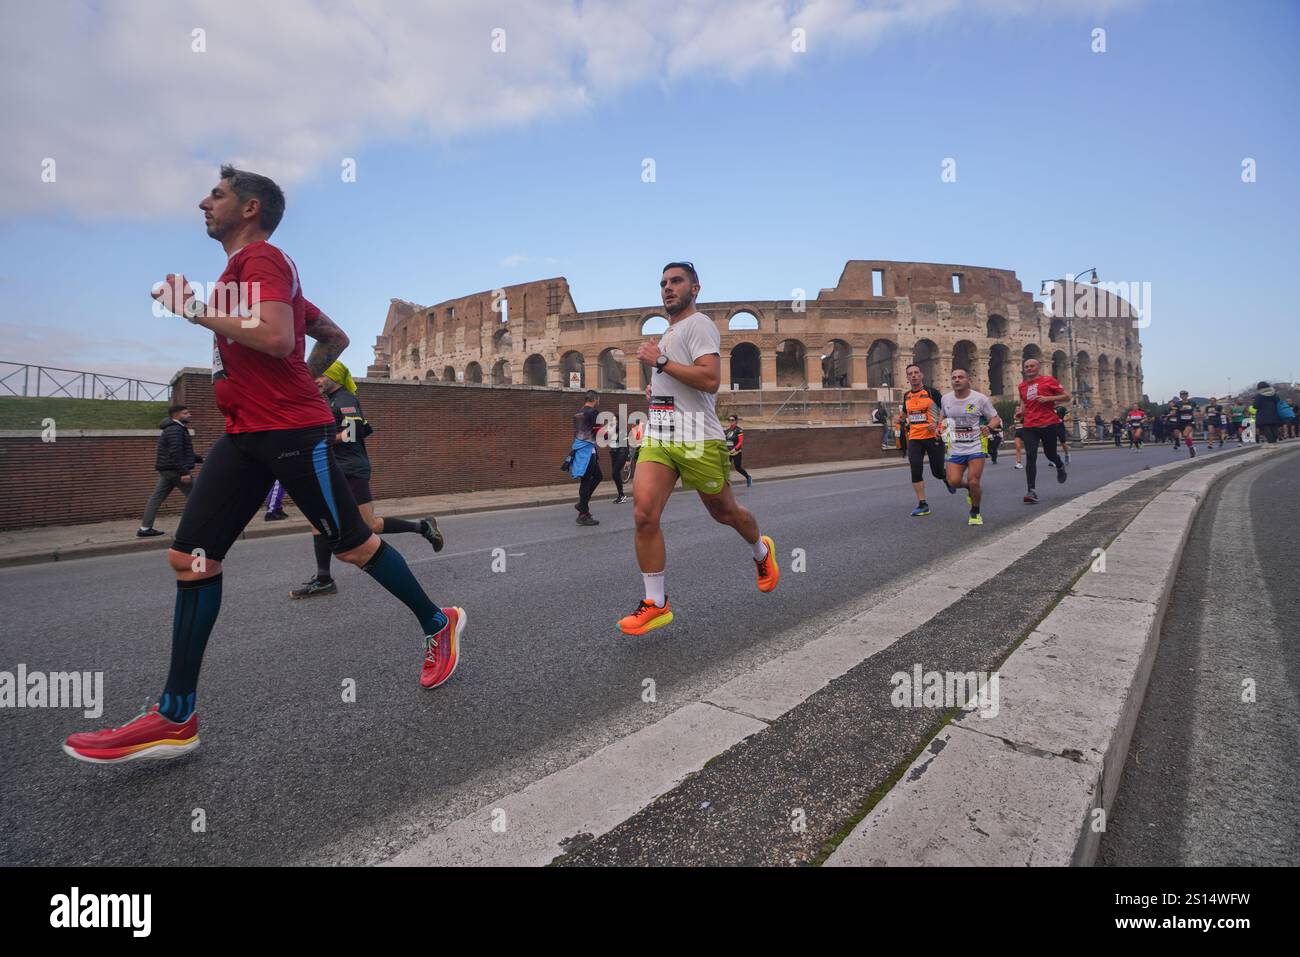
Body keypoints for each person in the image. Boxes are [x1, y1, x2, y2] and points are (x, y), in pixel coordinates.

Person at [65, 166, 466, 766]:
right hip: (245, 432)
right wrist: (293, 376)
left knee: (354, 545)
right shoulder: (243, 275)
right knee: (191, 557)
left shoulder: (265, 261)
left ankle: (439, 624)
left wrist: (193, 310)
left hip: (290, 431)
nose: (203, 201)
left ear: (250, 208)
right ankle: (176, 717)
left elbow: (280, 339)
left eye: (217, 195)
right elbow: (332, 335)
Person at [618, 262, 778, 637]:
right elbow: (679, 381)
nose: (667, 288)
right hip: (661, 434)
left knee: (725, 513)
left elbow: (710, 380)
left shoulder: (700, 324)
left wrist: (659, 361)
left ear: (695, 288)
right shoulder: (669, 333)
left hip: (696, 437)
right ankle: (656, 603)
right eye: (663, 283)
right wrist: (658, 392)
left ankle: (761, 551)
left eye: (676, 281)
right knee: (643, 514)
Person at [289, 360, 444, 598]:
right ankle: (323, 579)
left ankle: (423, 527)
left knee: (369, 525)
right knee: (317, 520)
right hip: (334, 468)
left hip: (351, 469)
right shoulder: (329, 400)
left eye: (319, 376)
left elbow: (353, 434)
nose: (315, 380)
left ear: (334, 376)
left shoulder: (345, 400)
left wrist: (323, 440)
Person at [938, 369, 1001, 526]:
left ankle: (975, 510)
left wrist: (989, 427)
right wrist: (940, 428)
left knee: (974, 481)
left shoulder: (980, 399)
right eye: (954, 378)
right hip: (955, 446)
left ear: (968, 380)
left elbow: (995, 418)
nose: (957, 380)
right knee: (953, 481)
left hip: (975, 445)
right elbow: (943, 417)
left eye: (960, 377)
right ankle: (970, 489)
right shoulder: (946, 399)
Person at [137, 404, 203, 538]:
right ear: (177, 415)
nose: (189, 415)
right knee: (198, 497)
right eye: (186, 413)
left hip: (168, 470)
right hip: (176, 471)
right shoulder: (175, 430)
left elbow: (183, 451)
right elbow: (176, 453)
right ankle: (198, 528)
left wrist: (200, 459)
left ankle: (144, 529)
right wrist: (184, 472)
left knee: (156, 498)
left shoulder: (175, 429)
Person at [898, 362, 950, 517]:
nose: (913, 375)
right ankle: (923, 504)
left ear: (921, 375)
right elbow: (906, 414)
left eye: (916, 372)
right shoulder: (906, 396)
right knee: (915, 469)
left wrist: (938, 424)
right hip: (915, 438)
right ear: (907, 377)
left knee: (937, 472)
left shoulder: (932, 393)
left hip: (933, 437)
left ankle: (946, 477)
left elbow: (946, 411)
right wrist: (900, 419)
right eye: (910, 373)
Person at [1016, 357, 1069, 504]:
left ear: (1038, 367)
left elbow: (1067, 397)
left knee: (1050, 454)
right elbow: (1023, 402)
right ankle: (1031, 491)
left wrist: (1048, 398)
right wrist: (1021, 412)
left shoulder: (1049, 380)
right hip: (1030, 425)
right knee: (1031, 456)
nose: (1029, 369)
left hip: (1048, 423)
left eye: (1032, 366)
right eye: (1026, 366)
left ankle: (1059, 465)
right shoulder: (1022, 386)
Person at [571, 390, 603, 525]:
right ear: (595, 399)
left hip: (579, 449)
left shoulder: (577, 413)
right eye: (598, 399)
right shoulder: (594, 413)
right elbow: (599, 433)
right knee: (586, 480)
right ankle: (583, 512)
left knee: (597, 476)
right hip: (587, 450)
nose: (599, 401)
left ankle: (582, 505)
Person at [607, 406, 631, 505]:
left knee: (615, 472)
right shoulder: (610, 429)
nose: (613, 421)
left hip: (622, 453)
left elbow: (626, 444)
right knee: (615, 474)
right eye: (612, 420)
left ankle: (622, 495)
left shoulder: (622, 430)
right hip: (613, 453)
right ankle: (621, 495)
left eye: (615, 420)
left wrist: (628, 459)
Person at [725, 414, 752, 487]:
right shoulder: (727, 430)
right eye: (729, 420)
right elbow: (725, 441)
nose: (731, 421)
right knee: (726, 467)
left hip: (736, 452)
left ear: (736, 421)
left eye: (732, 420)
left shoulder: (739, 430)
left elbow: (740, 441)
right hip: (728, 452)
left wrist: (735, 449)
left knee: (738, 467)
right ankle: (727, 482)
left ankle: (748, 477)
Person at [1172, 390, 1197, 457]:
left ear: (1187, 395)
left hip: (1189, 421)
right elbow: (1173, 412)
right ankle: (1189, 447)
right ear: (1180, 396)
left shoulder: (1192, 402)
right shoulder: (1177, 404)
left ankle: (1191, 448)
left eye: (1185, 395)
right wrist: (1179, 410)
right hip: (1180, 421)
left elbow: (1197, 409)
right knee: (1177, 432)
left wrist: (1196, 413)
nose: (1184, 396)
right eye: (1182, 395)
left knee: (1185, 434)